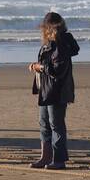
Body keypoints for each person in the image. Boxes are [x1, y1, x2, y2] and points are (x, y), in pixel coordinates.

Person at [28, 11, 80, 170]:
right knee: (44, 123)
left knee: (56, 124)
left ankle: (58, 160)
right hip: (47, 88)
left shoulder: (60, 43)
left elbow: (57, 70)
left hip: (56, 90)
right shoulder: (51, 42)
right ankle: (45, 156)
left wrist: (39, 67)